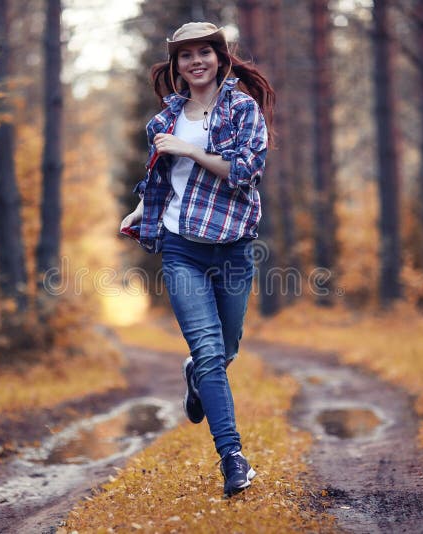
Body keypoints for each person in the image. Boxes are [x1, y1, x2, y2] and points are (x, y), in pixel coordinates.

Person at [120, 21, 275, 498]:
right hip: (181, 247)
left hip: (231, 247)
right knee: (209, 352)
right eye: (185, 55)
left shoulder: (242, 109)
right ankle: (233, 458)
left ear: (220, 57)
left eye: (204, 52)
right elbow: (163, 182)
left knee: (224, 351)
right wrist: (143, 207)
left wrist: (191, 148)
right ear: (176, 65)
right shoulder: (163, 122)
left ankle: (195, 375)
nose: (196, 62)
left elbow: (246, 171)